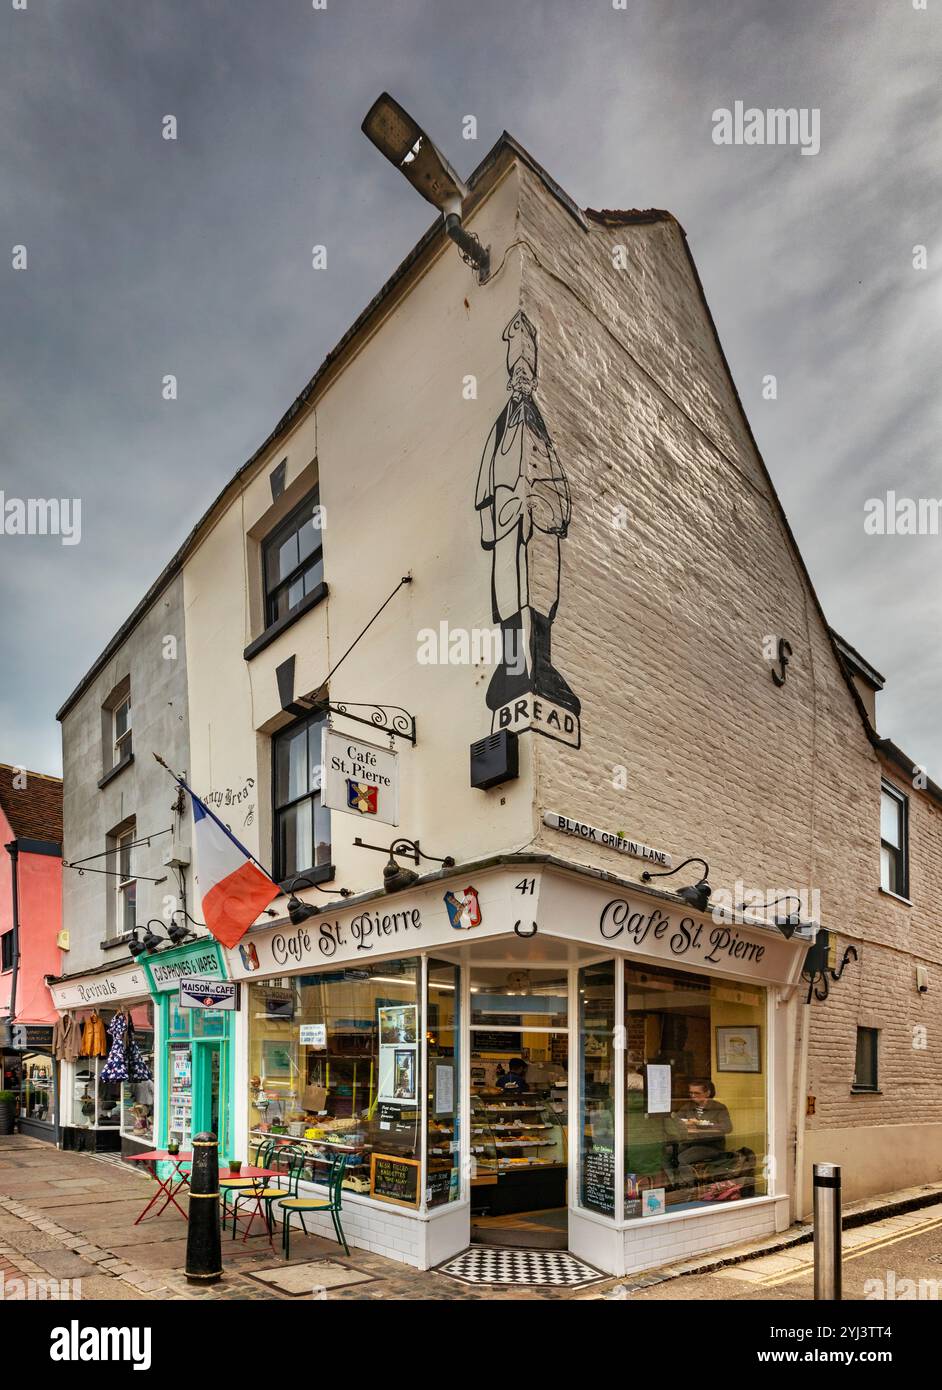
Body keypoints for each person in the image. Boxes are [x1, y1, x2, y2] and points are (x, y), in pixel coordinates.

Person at [665, 1079, 732, 1166]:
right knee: (665, 1154)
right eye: (691, 1093)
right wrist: (685, 1123)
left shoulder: (718, 1107)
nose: (693, 1096)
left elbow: (727, 1128)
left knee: (681, 1160)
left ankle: (685, 1179)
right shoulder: (689, 1106)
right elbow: (676, 1120)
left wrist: (705, 1124)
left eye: (697, 1093)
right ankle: (670, 1178)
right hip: (690, 1142)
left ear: (707, 1093)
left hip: (710, 1145)